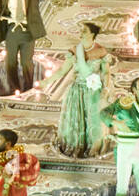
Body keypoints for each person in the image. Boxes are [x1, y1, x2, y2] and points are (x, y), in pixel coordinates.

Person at [0, 0, 68, 94]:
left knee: (27, 61)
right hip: (12, 31)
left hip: (28, 30)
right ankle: (14, 88)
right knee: (10, 61)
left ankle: (28, 87)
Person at [42, 21, 111, 158]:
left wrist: (106, 87)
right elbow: (62, 70)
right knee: (76, 119)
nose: (81, 33)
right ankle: (77, 146)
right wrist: (48, 81)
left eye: (84, 31)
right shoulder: (74, 50)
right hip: (77, 90)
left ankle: (93, 147)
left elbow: (106, 72)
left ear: (92, 34)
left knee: (93, 120)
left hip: (93, 91)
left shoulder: (101, 51)